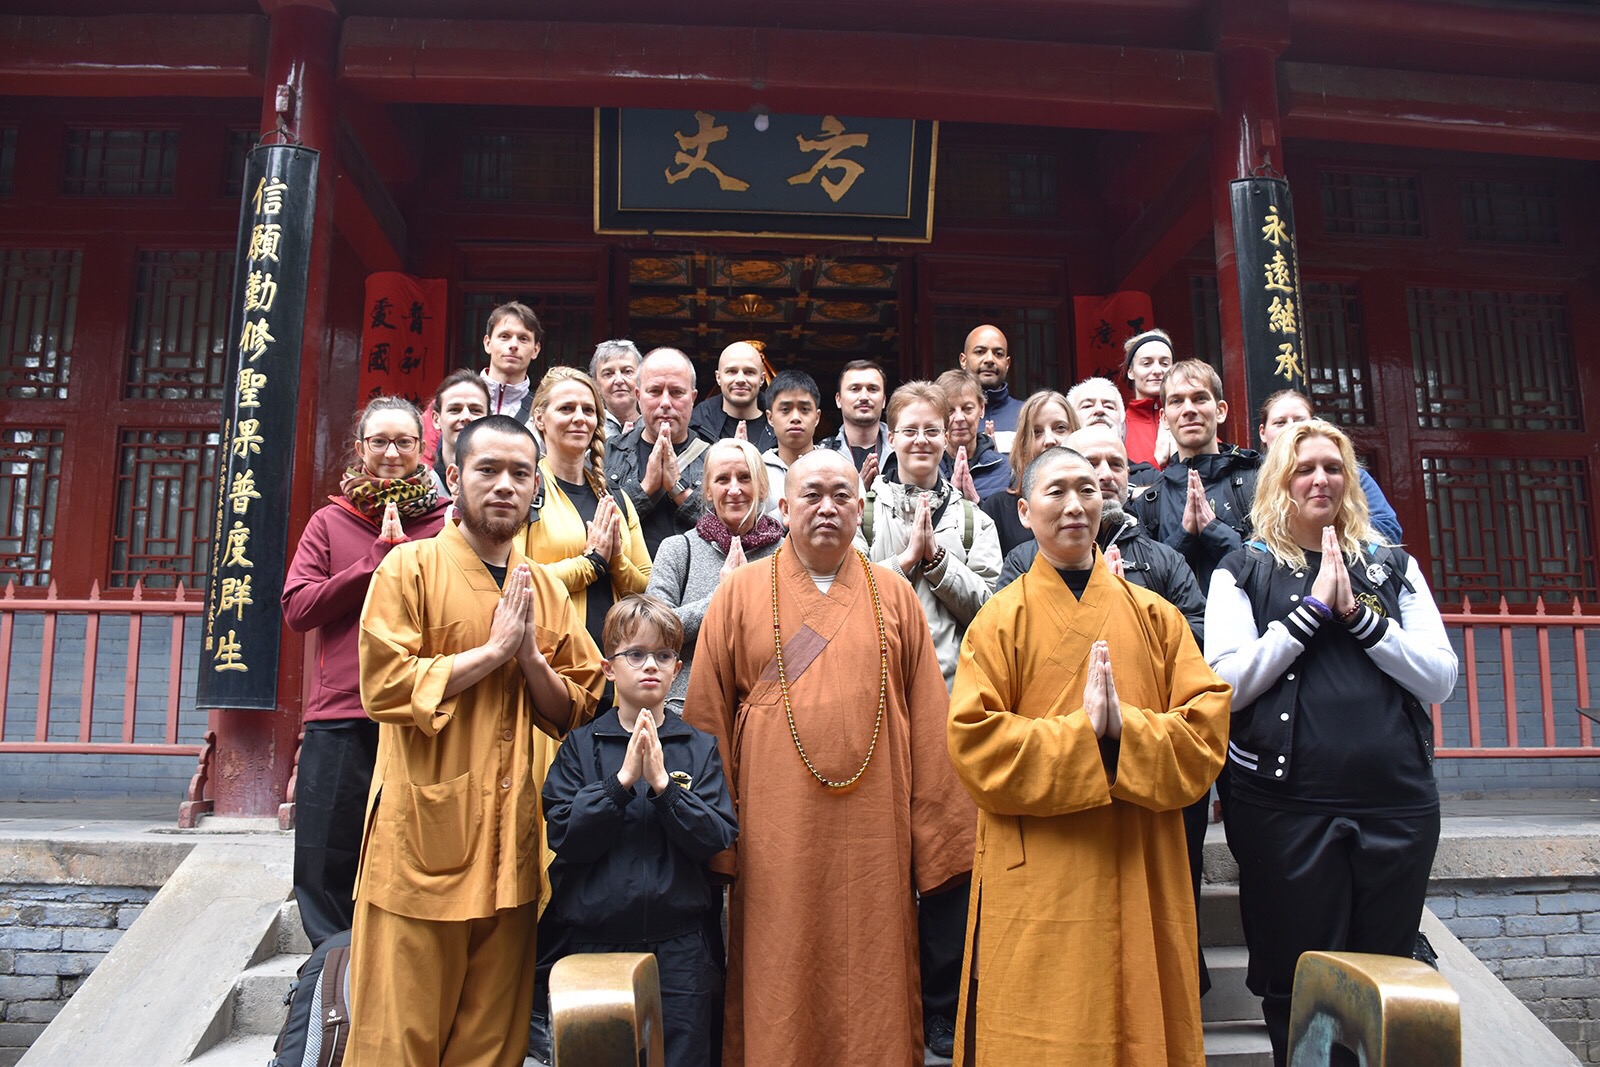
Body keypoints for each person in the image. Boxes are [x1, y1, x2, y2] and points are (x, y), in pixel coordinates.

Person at [684, 449, 976, 1067]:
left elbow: (929, 722)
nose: (826, 508)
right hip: (774, 830)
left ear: (860, 507)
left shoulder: (894, 594)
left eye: (842, 495)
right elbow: (707, 720)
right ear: (782, 506)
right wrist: (714, 840)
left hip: (875, 833)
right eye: (811, 495)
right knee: (779, 966)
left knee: (873, 965)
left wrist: (939, 838)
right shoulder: (739, 593)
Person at [947, 445, 1230, 1066]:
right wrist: (1084, 737)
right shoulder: (998, 621)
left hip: (1137, 855)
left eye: (1088, 489)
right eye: (1056, 491)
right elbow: (974, 745)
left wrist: (1125, 733)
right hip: (1042, 871)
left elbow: (1206, 732)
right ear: (1024, 512)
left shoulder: (1157, 617)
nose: (1075, 504)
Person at [348, 414, 604, 1067]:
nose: (504, 485)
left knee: (493, 1047)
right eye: (487, 470)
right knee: (396, 1043)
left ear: (536, 488)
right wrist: (492, 653)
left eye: (521, 473)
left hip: (511, 851)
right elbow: (384, 686)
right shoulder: (409, 567)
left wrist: (531, 660)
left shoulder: (543, 586)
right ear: (454, 477)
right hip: (422, 846)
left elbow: (580, 703)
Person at [1205, 419, 1457, 1066]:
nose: (1320, 479)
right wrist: (1311, 614)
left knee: (1385, 969)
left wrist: (1360, 618)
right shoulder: (1245, 569)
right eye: (1303, 468)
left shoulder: (1392, 566)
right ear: (1278, 482)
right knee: (1297, 972)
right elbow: (1226, 685)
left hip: (1395, 801)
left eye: (1333, 467)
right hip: (1284, 805)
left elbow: (1439, 677)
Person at [281, 396, 450, 949]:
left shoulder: (447, 522)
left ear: (423, 448)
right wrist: (372, 563)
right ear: (360, 448)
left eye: (404, 441)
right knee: (327, 848)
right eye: (379, 441)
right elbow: (298, 608)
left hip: (421, 707)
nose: (392, 453)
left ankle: (403, 955)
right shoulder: (330, 522)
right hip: (343, 709)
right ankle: (331, 966)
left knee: (417, 843)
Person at [542, 594, 739, 1067]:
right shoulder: (582, 746)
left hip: (680, 950)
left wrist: (664, 787)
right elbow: (565, 835)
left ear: (677, 669)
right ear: (609, 668)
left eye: (663, 655)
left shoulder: (698, 747)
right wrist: (621, 783)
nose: (650, 665)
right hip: (595, 946)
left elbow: (715, 836)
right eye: (635, 654)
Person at [998, 427, 1205, 641]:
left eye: (1116, 464)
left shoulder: (1165, 560)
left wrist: (1133, 619)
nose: (1106, 475)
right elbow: (1008, 639)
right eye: (1092, 464)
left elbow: (1200, 630)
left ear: (1128, 474)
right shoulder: (1023, 561)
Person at [858, 380, 1001, 689]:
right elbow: (846, 597)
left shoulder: (974, 521)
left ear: (945, 438)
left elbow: (992, 612)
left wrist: (940, 563)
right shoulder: (861, 515)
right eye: (910, 431)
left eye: (932, 431)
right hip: (877, 687)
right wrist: (904, 562)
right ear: (892, 438)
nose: (921, 440)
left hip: (951, 689)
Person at [647, 439, 786, 709]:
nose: (734, 489)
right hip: (687, 710)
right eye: (722, 479)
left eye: (745, 478)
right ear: (708, 491)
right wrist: (722, 596)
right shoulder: (678, 549)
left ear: (762, 488)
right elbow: (654, 632)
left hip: (766, 712)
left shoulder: (786, 555)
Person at [525, 366, 651, 650]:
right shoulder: (526, 493)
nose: (579, 418)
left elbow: (646, 587)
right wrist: (591, 563)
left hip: (618, 660)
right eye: (566, 408)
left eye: (588, 410)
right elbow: (515, 581)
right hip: (551, 659)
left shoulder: (616, 498)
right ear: (540, 418)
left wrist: (616, 559)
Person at [1130, 358, 1262, 592]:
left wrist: (1213, 530)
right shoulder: (1149, 503)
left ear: (1220, 411)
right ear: (1164, 418)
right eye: (1177, 401)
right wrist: (1185, 534)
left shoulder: (1257, 483)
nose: (1189, 410)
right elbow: (1148, 588)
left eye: (1199, 398)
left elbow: (1273, 572)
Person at [1257, 389, 1403, 544]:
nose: (1290, 428)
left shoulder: (1348, 474)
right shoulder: (1246, 477)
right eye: (1280, 423)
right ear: (1263, 433)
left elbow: (1389, 528)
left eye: (1300, 421)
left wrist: (1338, 527)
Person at [605, 347, 712, 555]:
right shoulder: (608, 453)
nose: (665, 403)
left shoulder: (714, 459)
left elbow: (731, 530)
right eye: (654, 391)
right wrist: (645, 488)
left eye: (676, 392)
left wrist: (678, 490)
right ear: (638, 396)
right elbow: (592, 527)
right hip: (626, 575)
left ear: (693, 398)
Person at [978, 389, 1077, 555]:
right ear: (1023, 444)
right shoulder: (998, 508)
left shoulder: (1094, 501)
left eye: (1060, 428)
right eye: (1036, 432)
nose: (1049, 440)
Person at [1067, 374, 1159, 487]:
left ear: (1122, 427)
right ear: (1070, 423)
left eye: (1109, 407)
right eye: (1087, 406)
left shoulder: (1149, 478)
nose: (1099, 410)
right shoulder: (1055, 473)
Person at [690, 340, 777, 451]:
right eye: (732, 371)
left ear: (761, 379)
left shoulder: (782, 427)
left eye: (749, 372)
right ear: (718, 378)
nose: (740, 379)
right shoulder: (696, 429)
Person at [936, 368, 1009, 500]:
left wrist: (975, 501)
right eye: (949, 410)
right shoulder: (928, 469)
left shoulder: (1005, 470)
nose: (959, 418)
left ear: (982, 409)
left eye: (967, 409)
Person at [760, 369, 821, 514]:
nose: (795, 418)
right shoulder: (756, 472)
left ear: (817, 417)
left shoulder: (837, 467)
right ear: (770, 418)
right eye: (785, 409)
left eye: (804, 409)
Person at [427, 369, 491, 497]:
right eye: (455, 410)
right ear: (436, 419)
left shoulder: (500, 487)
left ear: (489, 418)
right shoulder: (422, 489)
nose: (465, 417)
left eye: (475, 410)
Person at [958, 324, 1019, 453]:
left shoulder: (1027, 415)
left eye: (998, 354)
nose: (990, 359)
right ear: (963, 360)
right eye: (980, 352)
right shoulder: (949, 416)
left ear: (1007, 364)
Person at [480, 301, 544, 424]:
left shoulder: (541, 412)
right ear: (488, 343)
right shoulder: (456, 400)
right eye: (504, 336)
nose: (514, 345)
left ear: (535, 350)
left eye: (523, 338)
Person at [823, 359, 890, 477]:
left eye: (873, 389)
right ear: (838, 400)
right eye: (855, 389)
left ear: (884, 400)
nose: (864, 397)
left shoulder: (903, 448)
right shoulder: (823, 454)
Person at [1122, 328, 1176, 468]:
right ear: (1130, 371)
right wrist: (1157, 460)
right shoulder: (1119, 426)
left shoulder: (1187, 418)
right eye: (1146, 363)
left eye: (1164, 364)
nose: (1157, 371)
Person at [590, 339, 643, 438]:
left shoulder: (655, 427)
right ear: (596, 384)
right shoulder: (588, 430)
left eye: (627, 371)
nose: (619, 380)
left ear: (641, 378)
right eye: (608, 374)